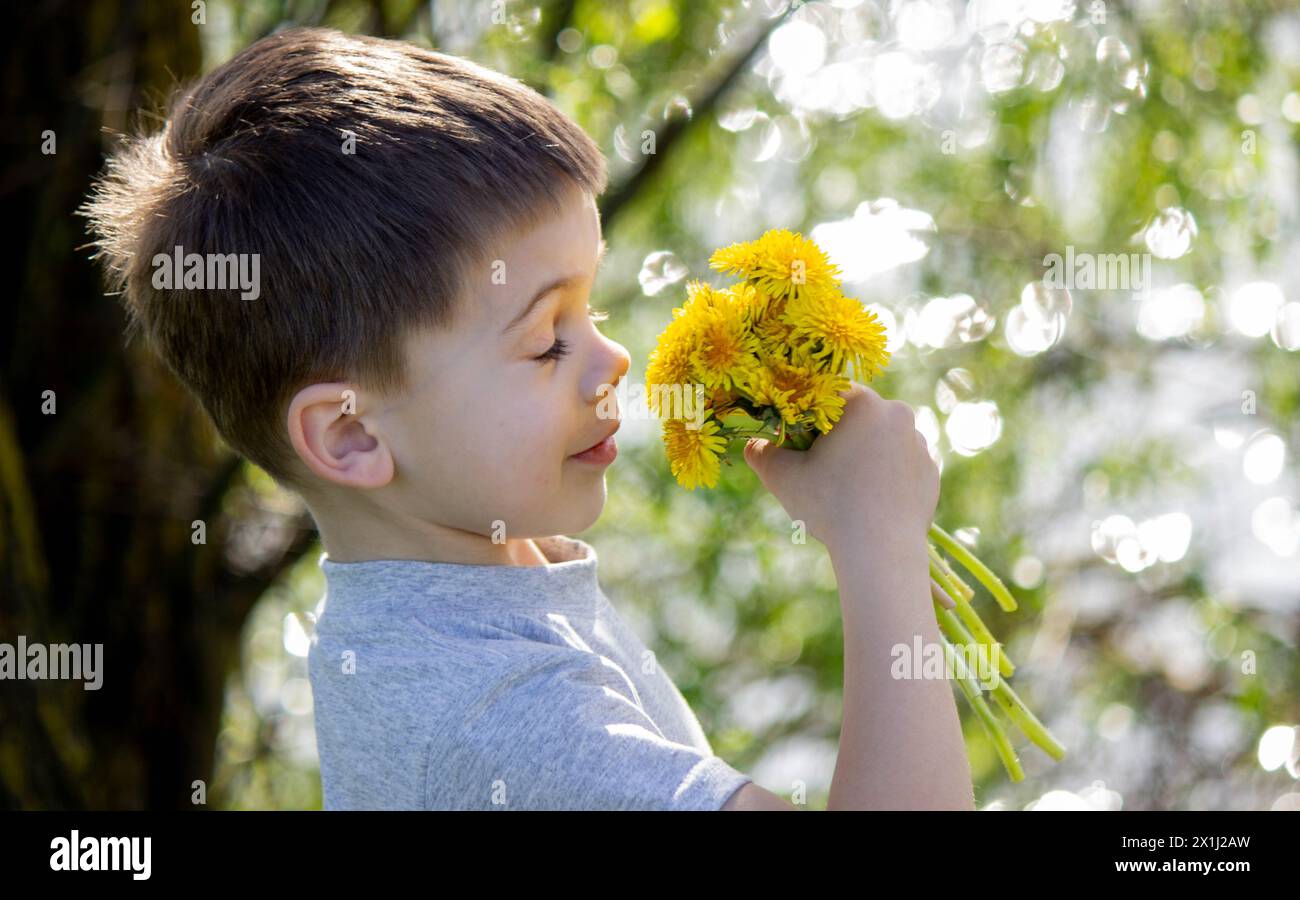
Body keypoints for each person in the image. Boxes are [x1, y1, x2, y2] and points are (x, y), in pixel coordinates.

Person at [81, 27, 972, 811]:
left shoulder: (469, 566)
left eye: (594, 310)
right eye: (549, 339)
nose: (616, 360)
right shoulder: (502, 720)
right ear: (350, 434)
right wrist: (878, 550)